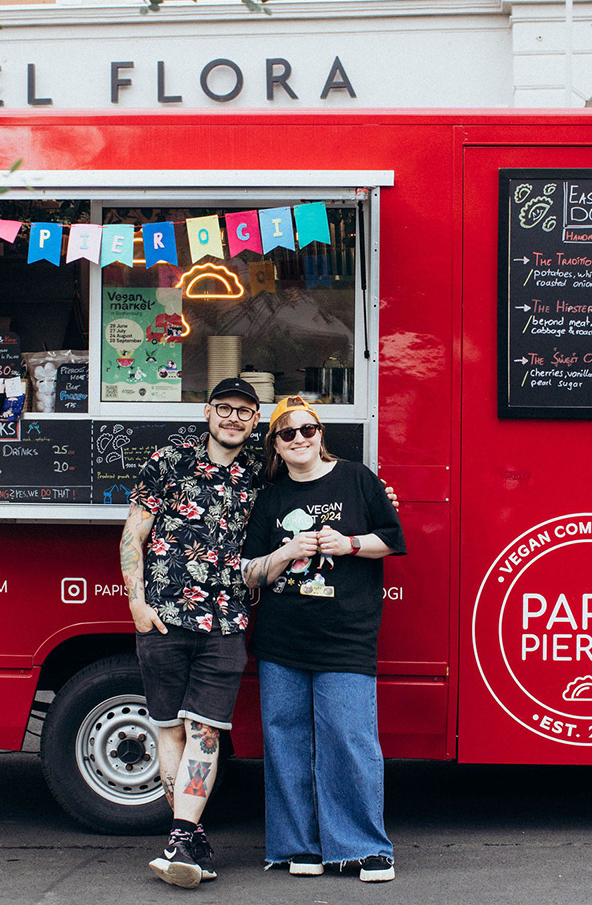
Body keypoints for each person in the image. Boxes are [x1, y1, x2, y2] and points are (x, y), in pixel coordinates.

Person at [242, 395, 406, 883]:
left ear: (320, 435)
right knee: (285, 742)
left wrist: (349, 543)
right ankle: (297, 847)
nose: (299, 439)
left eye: (307, 430)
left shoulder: (357, 479)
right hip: (281, 640)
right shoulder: (270, 498)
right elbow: (249, 572)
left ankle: (364, 848)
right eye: (287, 433)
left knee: (350, 740)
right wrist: (286, 551)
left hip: (346, 636)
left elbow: (392, 538)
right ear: (275, 445)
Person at [120, 376, 264, 890]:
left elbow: (320, 477)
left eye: (243, 411)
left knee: (206, 730)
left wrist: (378, 493)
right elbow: (134, 532)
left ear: (255, 420)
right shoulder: (168, 461)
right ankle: (190, 838)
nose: (232, 418)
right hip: (163, 618)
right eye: (224, 408)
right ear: (207, 412)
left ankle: (181, 837)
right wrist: (136, 603)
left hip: (225, 622)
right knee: (170, 729)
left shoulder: (262, 470)